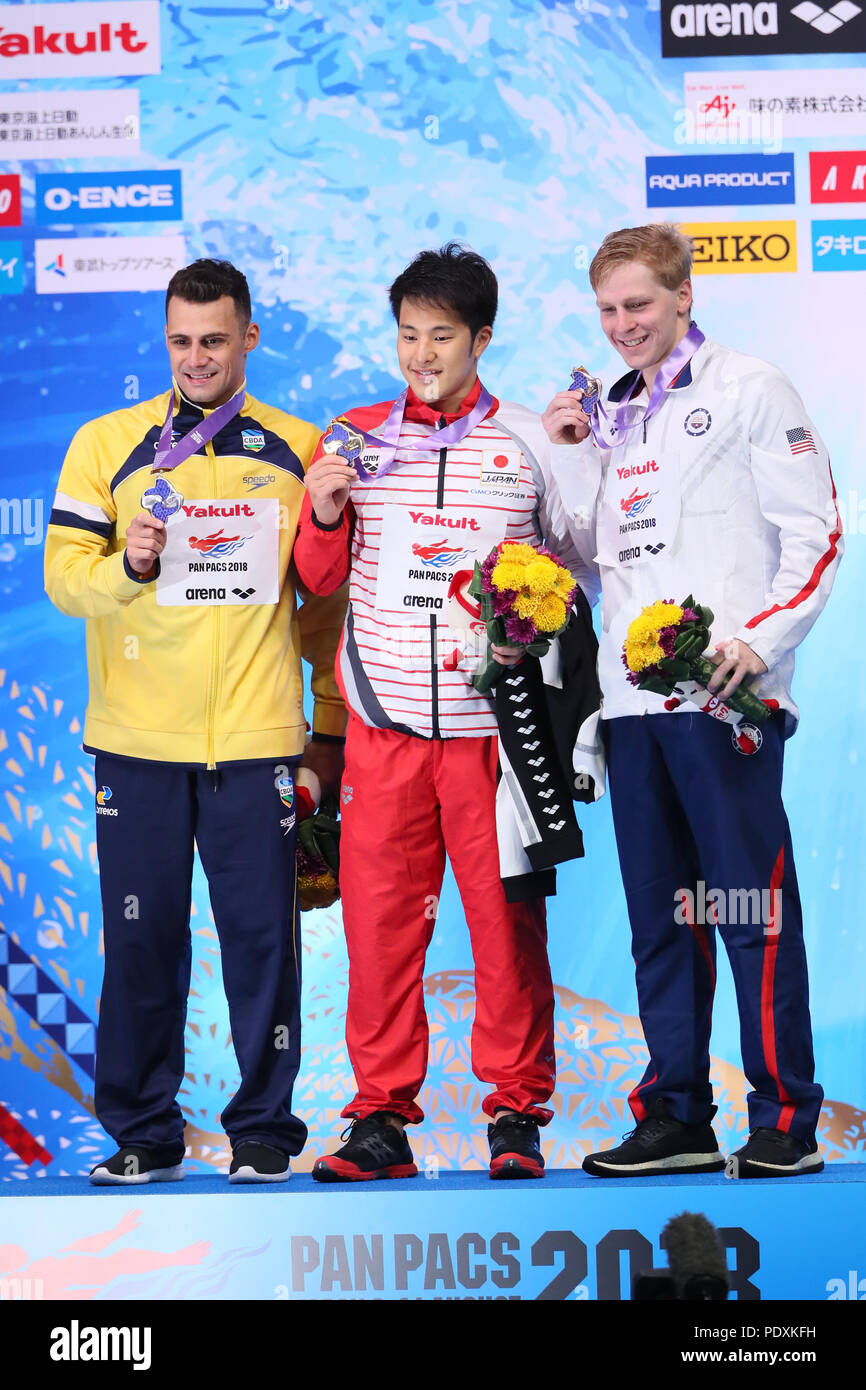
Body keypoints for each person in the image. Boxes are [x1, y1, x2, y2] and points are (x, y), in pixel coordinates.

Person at [293, 243, 598, 1181]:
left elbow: (581, 571)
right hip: (383, 741)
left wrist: (581, 462)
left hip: (492, 745)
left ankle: (515, 1115)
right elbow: (315, 578)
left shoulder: (526, 446)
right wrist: (327, 512)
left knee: (508, 933)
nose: (421, 353)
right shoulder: (351, 437)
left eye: (442, 335)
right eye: (408, 334)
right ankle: (381, 1118)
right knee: (382, 933)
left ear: (482, 339)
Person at [543, 223, 842, 1179]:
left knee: (747, 908)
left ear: (684, 298)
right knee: (661, 919)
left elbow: (817, 534)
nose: (623, 325)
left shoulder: (751, 388)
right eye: (608, 310)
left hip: (724, 702)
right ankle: (677, 1113)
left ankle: (784, 1118)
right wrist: (566, 457)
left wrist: (757, 643)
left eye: (639, 304)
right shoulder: (614, 415)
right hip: (632, 712)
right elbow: (587, 556)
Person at [44, 258, 348, 1185]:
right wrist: (128, 567)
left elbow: (321, 611)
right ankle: (144, 1130)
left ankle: (263, 1129)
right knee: (141, 937)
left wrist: (324, 734)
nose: (197, 358)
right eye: (181, 340)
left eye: (215, 339)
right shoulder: (105, 444)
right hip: (135, 742)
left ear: (249, 338)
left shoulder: (299, 449)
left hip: (258, 740)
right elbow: (64, 580)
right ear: (165, 340)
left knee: (264, 939)